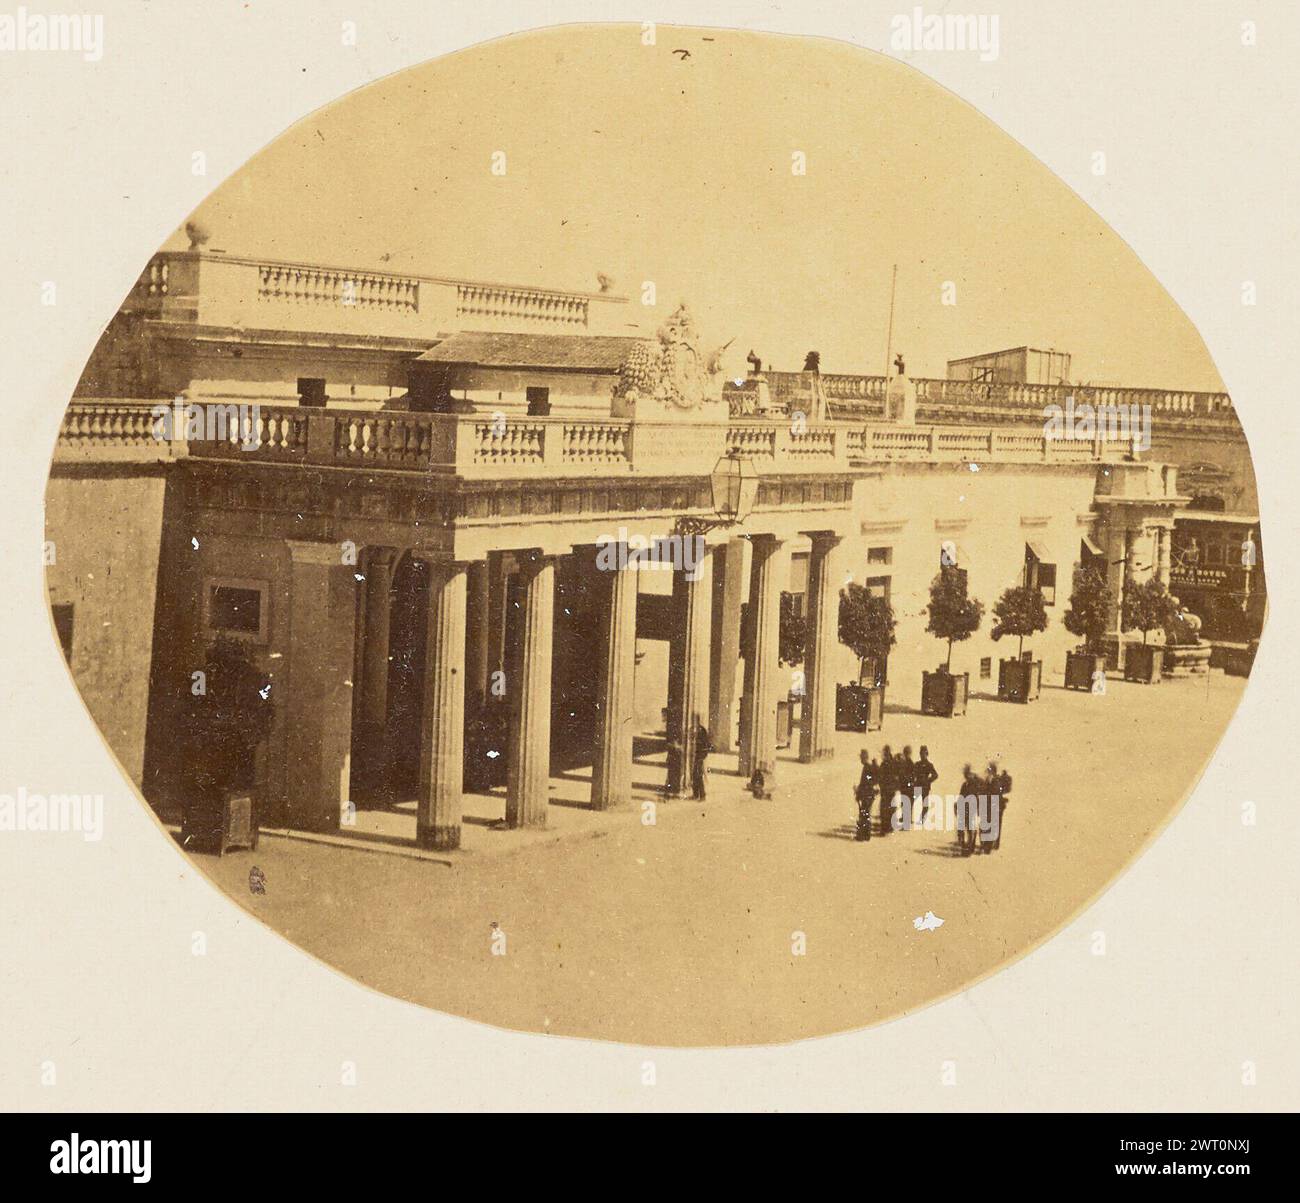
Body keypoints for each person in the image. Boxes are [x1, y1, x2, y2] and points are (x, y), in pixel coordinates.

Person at [985, 761, 1011, 853]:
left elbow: (995, 792)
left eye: (989, 770)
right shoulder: (991, 779)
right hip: (993, 804)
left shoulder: (996, 780)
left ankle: (994, 844)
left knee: (995, 824)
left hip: (996, 805)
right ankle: (991, 843)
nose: (987, 772)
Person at [956, 763, 982, 857]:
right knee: (965, 829)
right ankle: (967, 848)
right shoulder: (965, 784)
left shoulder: (975, 784)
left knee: (971, 829)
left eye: (968, 774)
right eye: (965, 774)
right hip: (965, 809)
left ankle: (969, 849)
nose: (967, 776)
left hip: (972, 809)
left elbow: (978, 796)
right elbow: (961, 796)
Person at [853, 749, 877, 842]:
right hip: (868, 795)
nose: (860, 759)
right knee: (866, 814)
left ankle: (863, 835)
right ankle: (866, 835)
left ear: (864, 757)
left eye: (861, 757)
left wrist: (859, 790)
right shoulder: (868, 767)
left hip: (866, 795)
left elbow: (866, 783)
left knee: (864, 815)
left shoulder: (867, 767)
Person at [914, 746, 939, 825]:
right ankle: (905, 816)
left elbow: (935, 775)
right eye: (921, 753)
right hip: (917, 785)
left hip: (925, 787)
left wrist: (928, 781)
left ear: (927, 754)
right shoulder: (917, 764)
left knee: (925, 804)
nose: (922, 755)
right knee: (910, 800)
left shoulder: (929, 765)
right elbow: (912, 774)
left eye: (924, 753)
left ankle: (921, 819)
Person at [691, 720, 713, 801]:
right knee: (695, 775)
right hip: (699, 755)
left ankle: (702, 795)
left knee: (698, 775)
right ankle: (696, 794)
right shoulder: (699, 729)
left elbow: (704, 745)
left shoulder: (701, 730)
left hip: (700, 756)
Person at [877, 745, 895, 836]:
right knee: (889, 809)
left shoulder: (886, 764)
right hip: (890, 790)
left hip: (887, 790)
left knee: (884, 809)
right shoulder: (892, 762)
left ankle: (885, 829)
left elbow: (880, 776)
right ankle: (888, 827)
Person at [898, 746, 916, 830]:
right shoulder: (905, 763)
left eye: (907, 753)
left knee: (907, 804)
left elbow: (912, 776)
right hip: (905, 787)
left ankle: (906, 824)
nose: (906, 754)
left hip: (908, 787)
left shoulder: (910, 763)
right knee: (905, 804)